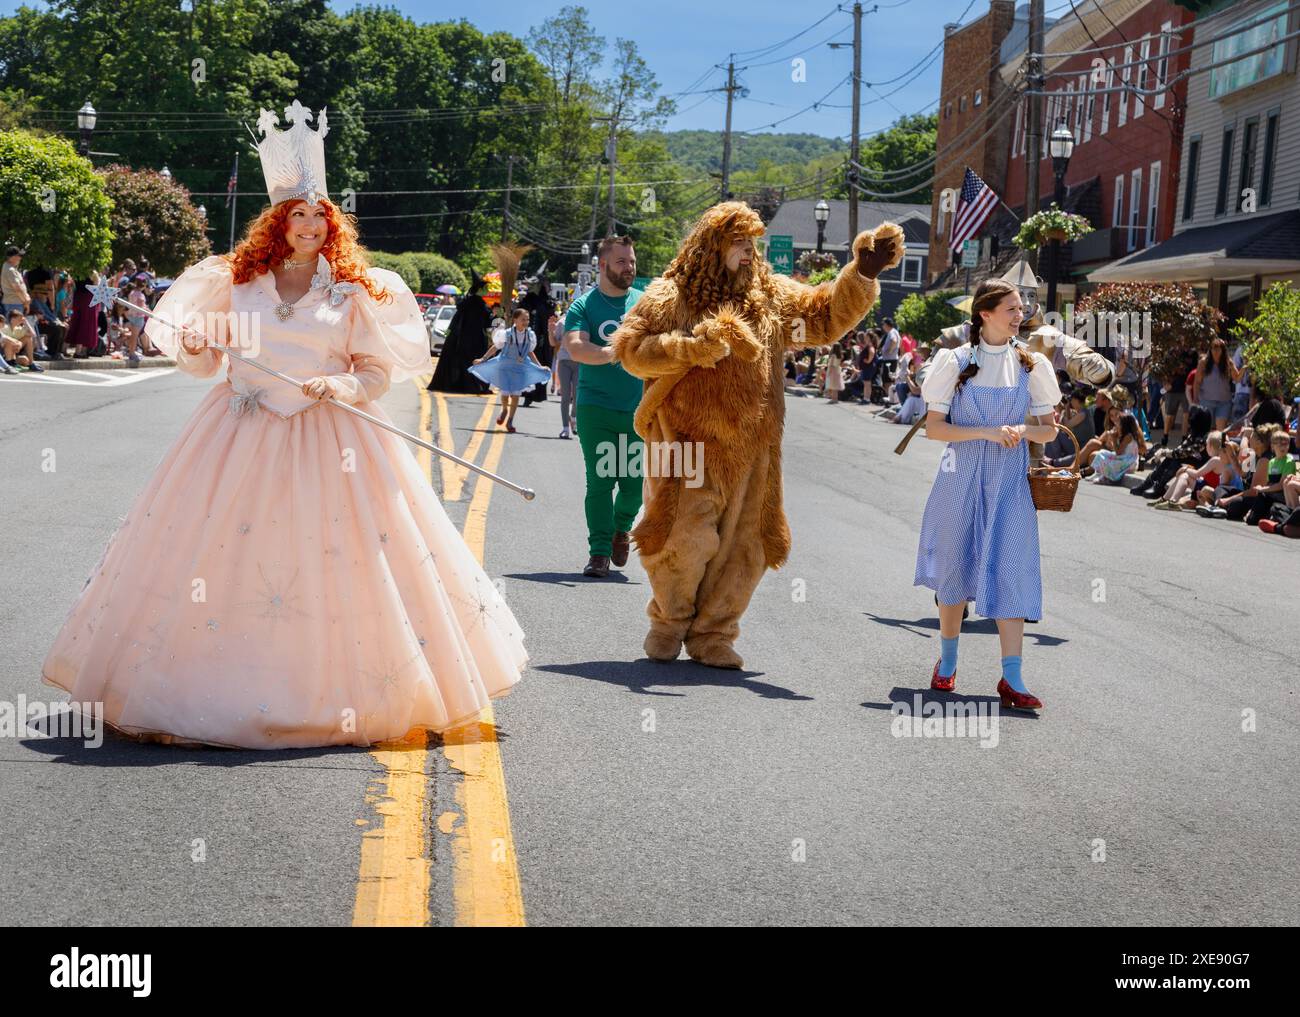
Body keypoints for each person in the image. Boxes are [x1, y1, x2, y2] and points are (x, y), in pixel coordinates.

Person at [41, 98, 525, 749]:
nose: (308, 226)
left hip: (335, 438)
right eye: (297, 215)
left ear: (332, 224)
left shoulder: (352, 291)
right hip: (237, 436)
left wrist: (344, 383)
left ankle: (337, 693)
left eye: (318, 216)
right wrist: (193, 337)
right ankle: (207, 688)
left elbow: (379, 372)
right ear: (277, 221)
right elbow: (207, 360)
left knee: (342, 562)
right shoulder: (237, 286)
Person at [915, 278, 1060, 711]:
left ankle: (1012, 676)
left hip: (1010, 482)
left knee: (1011, 567)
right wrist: (986, 432)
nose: (1021, 315)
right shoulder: (954, 361)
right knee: (955, 566)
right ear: (985, 313)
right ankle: (948, 661)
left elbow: (1049, 431)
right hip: (960, 476)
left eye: (1022, 308)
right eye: (1012, 309)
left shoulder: (1033, 366)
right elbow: (934, 428)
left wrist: (1022, 430)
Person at [563, 236, 645, 579]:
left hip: (640, 411)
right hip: (595, 407)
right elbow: (577, 349)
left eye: (631, 261)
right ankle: (599, 553)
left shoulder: (644, 304)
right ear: (602, 265)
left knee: (633, 487)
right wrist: (617, 351)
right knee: (600, 480)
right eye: (621, 262)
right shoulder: (583, 306)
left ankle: (619, 530)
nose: (629, 267)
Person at [470, 305, 549, 433]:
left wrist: (539, 366)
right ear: (515, 320)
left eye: (527, 319)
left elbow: (530, 352)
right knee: (505, 394)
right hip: (505, 366)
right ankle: (505, 409)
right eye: (523, 319)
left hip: (520, 368)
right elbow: (496, 347)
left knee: (516, 394)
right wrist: (483, 359)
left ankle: (510, 420)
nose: (526, 322)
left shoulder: (530, 335)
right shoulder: (506, 334)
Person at [426, 271, 491, 394]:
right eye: (485, 288)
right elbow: (487, 324)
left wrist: (447, 336)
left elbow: (454, 321)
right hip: (475, 341)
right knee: (474, 362)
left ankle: (465, 385)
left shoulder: (467, 304)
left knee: (464, 363)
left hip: (463, 340)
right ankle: (473, 386)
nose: (487, 290)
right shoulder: (480, 306)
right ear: (479, 289)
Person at [1192, 338, 1238, 431]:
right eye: (1213, 348)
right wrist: (1195, 398)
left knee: (1220, 431)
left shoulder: (1228, 362)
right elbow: (1197, 382)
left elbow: (1236, 378)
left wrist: (1240, 367)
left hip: (1224, 402)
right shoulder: (1203, 363)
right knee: (1205, 428)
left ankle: (1218, 445)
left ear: (1223, 350)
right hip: (1206, 400)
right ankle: (1205, 445)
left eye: (1218, 349)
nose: (1215, 351)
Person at [1088, 411, 1143, 484]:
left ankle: (1106, 477)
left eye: (1119, 423)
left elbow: (1118, 452)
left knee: (1109, 462)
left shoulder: (1128, 436)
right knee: (1101, 453)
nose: (1117, 425)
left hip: (1129, 462)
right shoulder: (1124, 435)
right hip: (1123, 458)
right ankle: (1099, 473)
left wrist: (1114, 439)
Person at [549, 310, 579, 439]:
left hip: (579, 362)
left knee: (578, 396)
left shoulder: (584, 321)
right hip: (564, 361)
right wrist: (550, 330)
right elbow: (553, 343)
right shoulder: (562, 322)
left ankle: (573, 418)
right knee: (565, 396)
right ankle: (565, 428)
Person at [1, 307, 43, 372]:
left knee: (25, 359)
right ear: (12, 319)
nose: (21, 320)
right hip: (3, 354)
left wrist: (26, 322)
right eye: (19, 319)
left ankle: (31, 363)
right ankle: (9, 364)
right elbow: (3, 340)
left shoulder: (18, 329)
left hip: (13, 354)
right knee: (8, 343)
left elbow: (33, 335)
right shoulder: (5, 328)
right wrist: (16, 343)